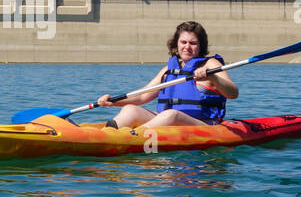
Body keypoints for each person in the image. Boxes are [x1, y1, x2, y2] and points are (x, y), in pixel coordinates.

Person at [96, 21, 238, 128]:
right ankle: (106, 134)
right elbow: (142, 96)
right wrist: (113, 101)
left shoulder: (210, 64)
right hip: (169, 121)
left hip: (203, 125)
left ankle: (132, 137)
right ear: (176, 44)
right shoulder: (167, 70)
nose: (187, 46)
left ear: (201, 46)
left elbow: (233, 93)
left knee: (171, 114)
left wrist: (213, 77)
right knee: (130, 110)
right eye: (183, 42)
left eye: (193, 43)